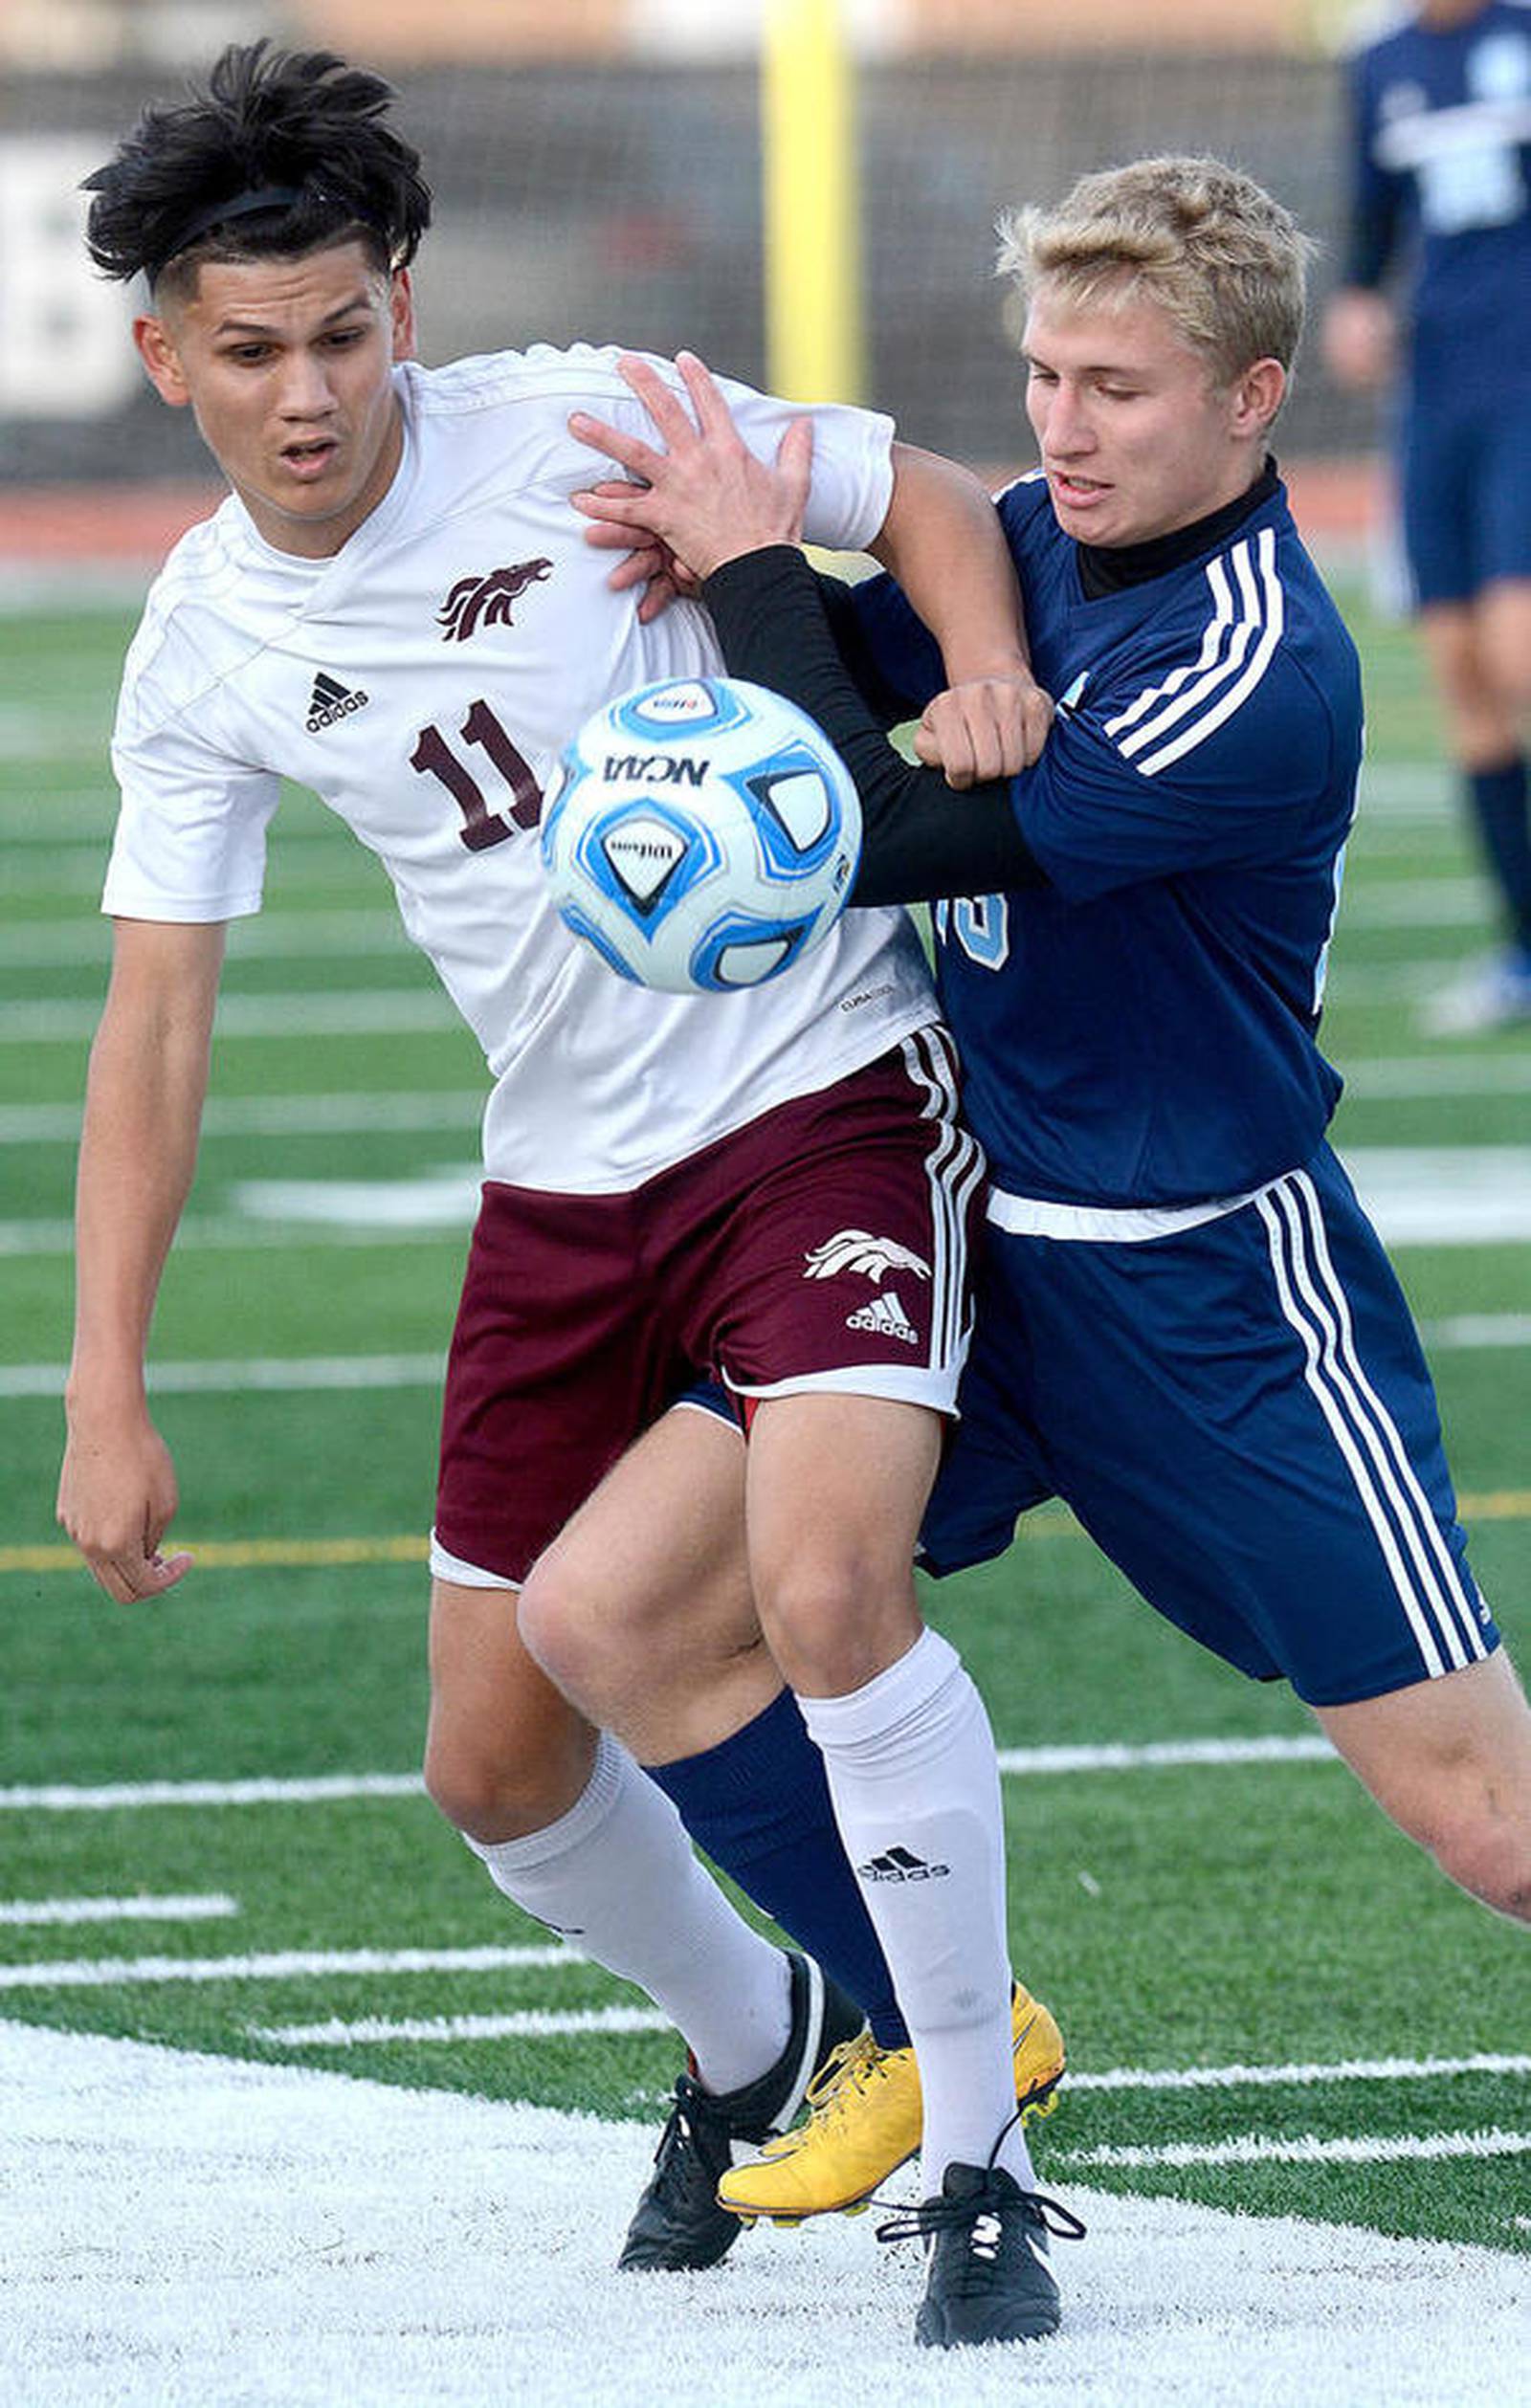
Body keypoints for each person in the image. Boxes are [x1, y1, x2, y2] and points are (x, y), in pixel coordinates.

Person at [55, 40, 1070, 2349]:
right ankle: (757, 2054)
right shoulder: (202, 642)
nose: (306, 393)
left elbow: (915, 487)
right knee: (493, 1750)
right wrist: (104, 1382)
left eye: (341, 333)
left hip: (817, 1086)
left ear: (398, 305)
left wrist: (985, 684)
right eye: (249, 353)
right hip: (566, 1173)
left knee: (813, 1586)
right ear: (161, 360)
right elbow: (155, 1026)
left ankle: (978, 2146)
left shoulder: (587, 412)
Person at [544, 153, 1531, 2234]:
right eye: (1041, 380)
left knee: (1487, 1822)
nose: (1062, 432)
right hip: (970, 1251)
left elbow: (866, 833)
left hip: (1206, 1302)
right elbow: (828, 658)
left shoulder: (1256, 655)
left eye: (1117, 389)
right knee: (618, 1610)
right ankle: (928, 2026)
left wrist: (757, 579)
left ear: (1254, 398)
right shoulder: (1023, 539)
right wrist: (738, 568)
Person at [1322, 0, 1531, 1033]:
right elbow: (1372, 228)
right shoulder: (1381, 64)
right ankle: (1524, 949)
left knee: (1518, 652)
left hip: (1523, 391)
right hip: (1436, 401)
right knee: (1460, 672)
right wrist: (1358, 304)